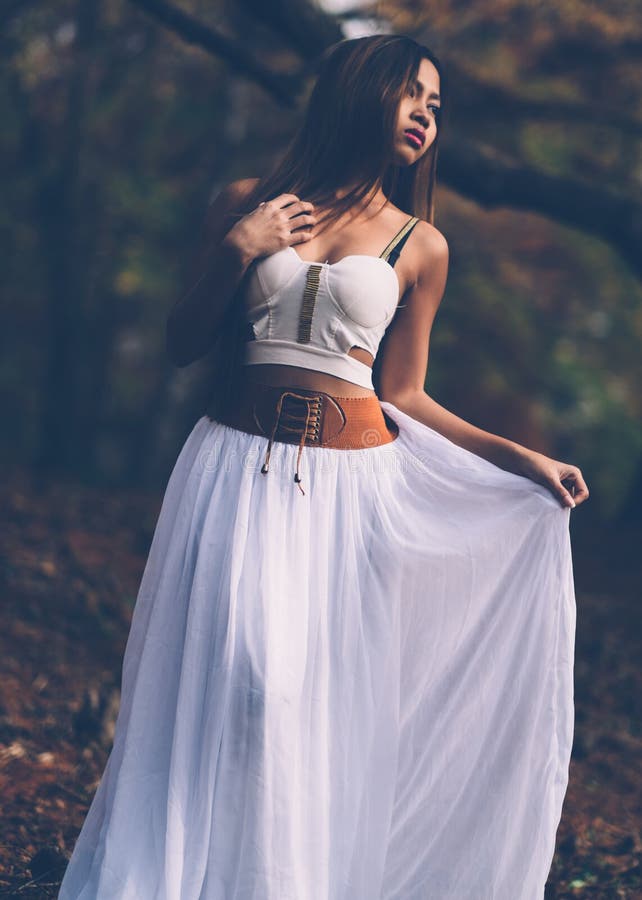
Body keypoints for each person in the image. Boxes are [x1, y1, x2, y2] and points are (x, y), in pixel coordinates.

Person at [58, 33, 588, 900]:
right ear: (361, 89)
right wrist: (238, 247)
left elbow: (405, 394)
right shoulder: (246, 202)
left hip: (348, 492)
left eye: (436, 106)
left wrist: (520, 456)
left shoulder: (422, 245)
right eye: (413, 93)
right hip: (235, 468)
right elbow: (182, 342)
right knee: (242, 675)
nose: (426, 116)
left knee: (300, 701)